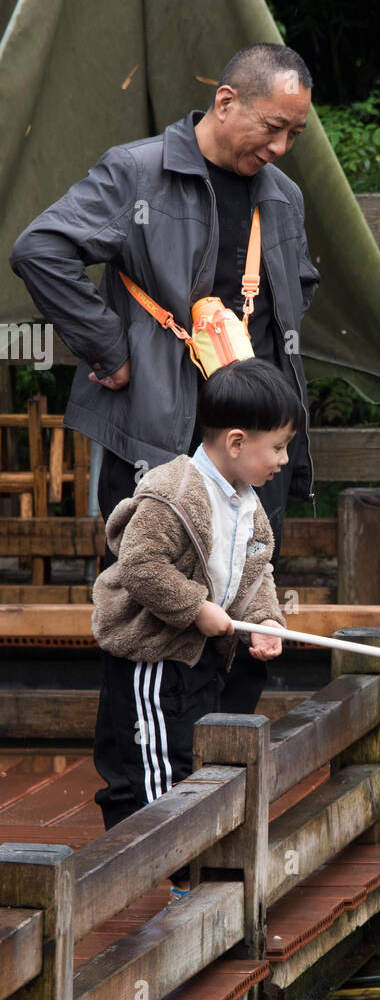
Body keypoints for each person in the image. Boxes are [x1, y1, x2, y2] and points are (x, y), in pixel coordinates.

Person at [8, 41, 320, 719]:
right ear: (226, 101)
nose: (282, 147)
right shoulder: (138, 171)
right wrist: (109, 348)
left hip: (251, 445)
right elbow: (41, 249)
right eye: (273, 128)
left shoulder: (283, 197)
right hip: (155, 430)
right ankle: (142, 793)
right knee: (150, 600)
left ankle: (224, 767)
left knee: (245, 592)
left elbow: (297, 290)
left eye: (295, 133)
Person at [90, 358, 300, 894]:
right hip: (153, 656)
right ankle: (178, 876)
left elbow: (256, 573)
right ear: (236, 442)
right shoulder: (174, 491)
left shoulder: (248, 504)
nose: (284, 459)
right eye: (276, 447)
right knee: (161, 762)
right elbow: (140, 566)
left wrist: (266, 619)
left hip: (203, 655)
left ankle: (189, 865)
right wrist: (196, 607)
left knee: (202, 752)